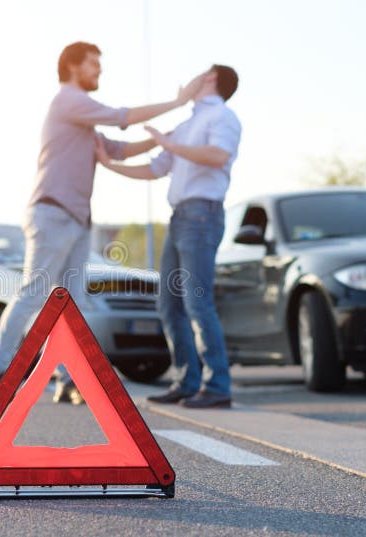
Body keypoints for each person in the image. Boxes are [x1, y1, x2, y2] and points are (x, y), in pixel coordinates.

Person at [0, 41, 202, 404]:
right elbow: (122, 116)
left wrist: (168, 138)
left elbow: (119, 150)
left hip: (77, 219)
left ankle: (68, 379)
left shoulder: (83, 121)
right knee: (34, 292)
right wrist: (176, 102)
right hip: (53, 212)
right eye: (93, 64)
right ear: (72, 66)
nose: (99, 70)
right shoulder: (69, 101)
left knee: (72, 303)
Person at [95, 65, 241, 409]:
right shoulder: (188, 124)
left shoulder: (223, 116)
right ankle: (187, 381)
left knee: (197, 301)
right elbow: (155, 169)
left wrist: (168, 142)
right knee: (169, 304)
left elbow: (218, 155)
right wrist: (109, 165)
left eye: (199, 72)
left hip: (202, 214)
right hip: (180, 218)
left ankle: (217, 385)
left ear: (209, 78)